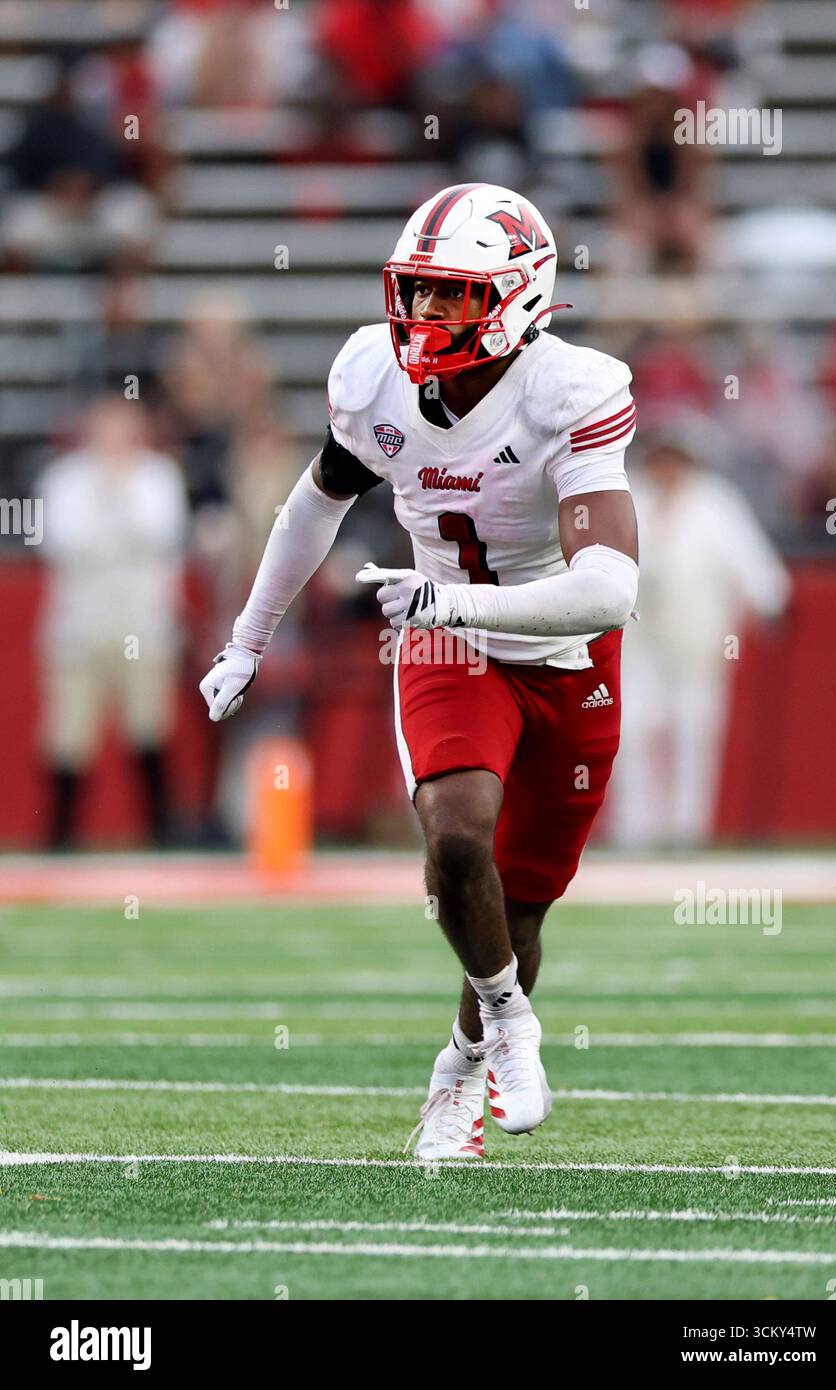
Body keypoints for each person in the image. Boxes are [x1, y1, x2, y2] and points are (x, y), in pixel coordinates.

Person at [199, 184, 639, 1159]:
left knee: (520, 898)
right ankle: (509, 1023)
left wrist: (455, 603)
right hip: (444, 639)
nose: (423, 316)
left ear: (518, 297)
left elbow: (607, 588)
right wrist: (249, 635)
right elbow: (313, 504)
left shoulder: (572, 389)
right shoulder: (374, 377)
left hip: (560, 650)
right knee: (452, 838)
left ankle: (461, 1061)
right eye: (416, 291)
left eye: (451, 296)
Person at [611, 422, 790, 848]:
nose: (667, 467)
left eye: (675, 459)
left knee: (694, 734)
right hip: (640, 642)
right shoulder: (630, 496)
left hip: (699, 644)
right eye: (661, 458)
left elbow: (754, 562)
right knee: (633, 733)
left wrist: (770, 603)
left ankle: (686, 832)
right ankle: (635, 833)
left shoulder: (716, 502)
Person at [39, 399, 188, 847]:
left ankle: (161, 832)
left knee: (149, 727)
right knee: (68, 734)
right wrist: (112, 501)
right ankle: (61, 837)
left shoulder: (158, 476)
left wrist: (116, 497)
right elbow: (65, 542)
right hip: (79, 627)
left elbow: (160, 533)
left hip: (143, 625)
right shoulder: (65, 478)